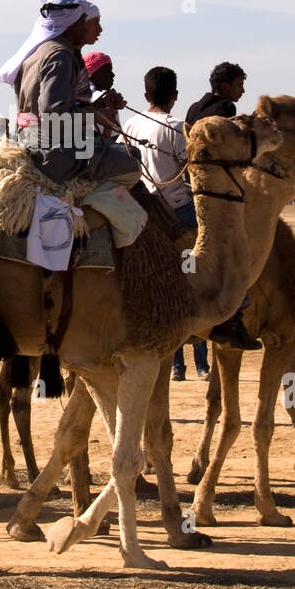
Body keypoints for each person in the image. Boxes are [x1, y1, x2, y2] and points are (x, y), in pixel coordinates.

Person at [120, 66, 210, 380]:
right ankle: (213, 342)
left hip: (142, 212)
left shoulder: (130, 123)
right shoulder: (176, 127)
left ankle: (175, 364)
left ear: (145, 96)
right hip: (178, 210)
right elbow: (189, 170)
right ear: (175, 97)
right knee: (196, 278)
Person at [0, 0, 135, 184]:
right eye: (87, 22)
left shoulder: (42, 51)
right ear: (72, 23)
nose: (99, 29)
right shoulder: (60, 55)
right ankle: (86, 207)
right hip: (53, 153)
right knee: (132, 161)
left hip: (33, 142)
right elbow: (53, 113)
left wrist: (98, 108)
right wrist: (95, 115)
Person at [185, 62, 247, 128]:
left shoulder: (193, 108)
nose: (243, 91)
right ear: (225, 87)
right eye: (239, 85)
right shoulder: (226, 106)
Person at [81, 51, 122, 136]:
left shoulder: (77, 93)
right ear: (92, 73)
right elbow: (115, 137)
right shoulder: (100, 97)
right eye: (108, 71)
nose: (113, 75)